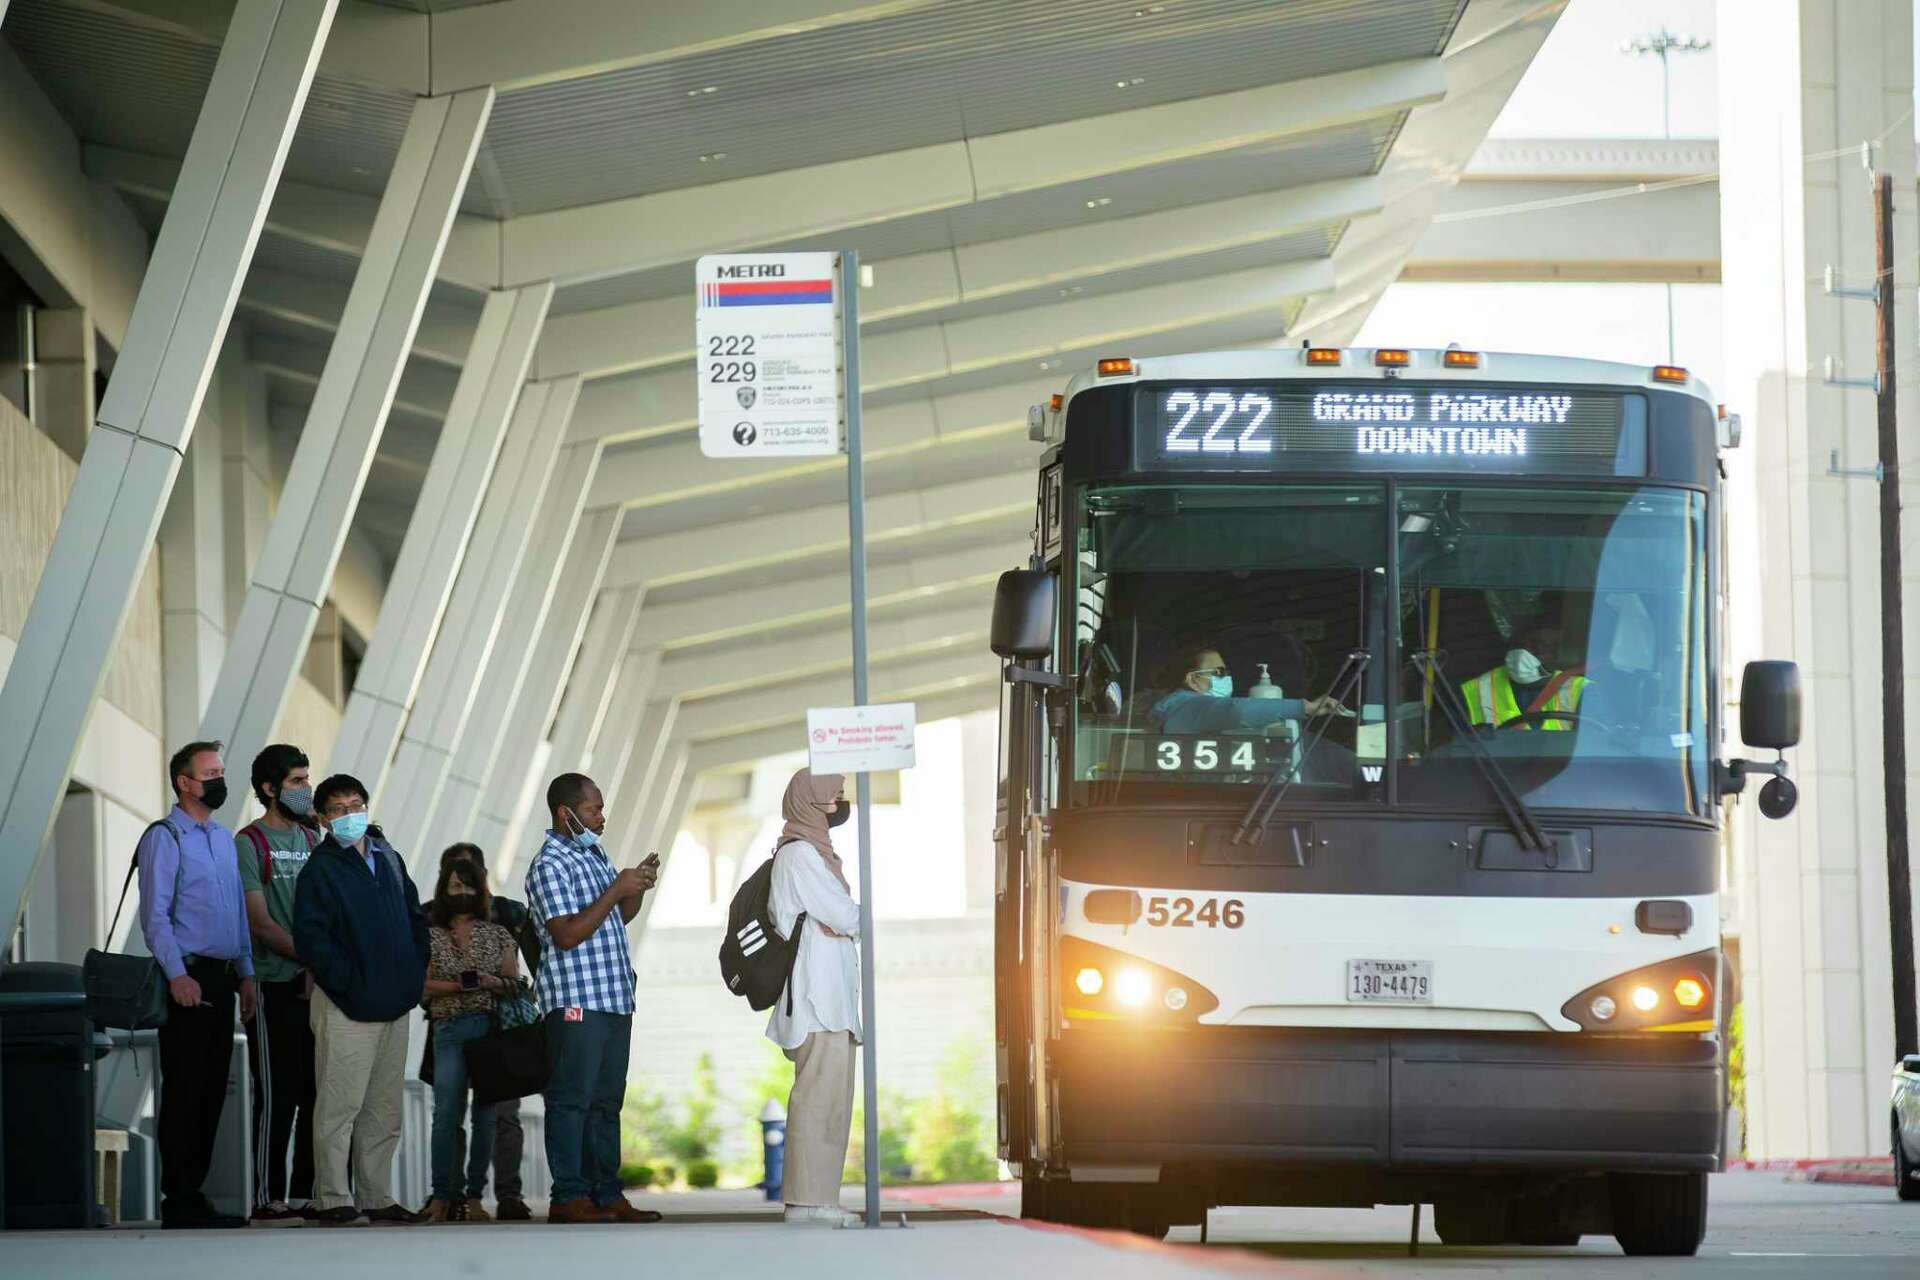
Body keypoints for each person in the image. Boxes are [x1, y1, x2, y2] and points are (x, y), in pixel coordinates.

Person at [291, 774, 430, 1228]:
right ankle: (333, 1197)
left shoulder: (388, 857)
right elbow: (312, 939)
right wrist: (349, 984)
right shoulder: (320, 869)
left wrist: (413, 974)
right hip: (346, 1005)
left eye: (356, 805)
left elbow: (415, 918)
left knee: (383, 1109)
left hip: (394, 1000)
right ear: (322, 819)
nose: (349, 815)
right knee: (339, 1105)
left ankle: (376, 1195)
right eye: (338, 809)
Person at [525, 772, 660, 1225]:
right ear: (565, 813)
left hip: (614, 996)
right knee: (571, 1099)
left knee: (606, 1102)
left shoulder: (595, 854)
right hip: (575, 998)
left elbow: (614, 918)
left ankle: (607, 1193)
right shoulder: (549, 865)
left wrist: (634, 890)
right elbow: (565, 933)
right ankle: (569, 1196)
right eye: (593, 809)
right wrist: (615, 888)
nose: (601, 817)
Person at [139, 740, 256, 1230]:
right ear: (184, 783)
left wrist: (247, 973)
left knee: (212, 1088)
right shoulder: (165, 837)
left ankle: (195, 1194)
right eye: (209, 774)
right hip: (188, 976)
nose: (219, 780)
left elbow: (237, 914)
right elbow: (155, 917)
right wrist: (177, 975)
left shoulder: (223, 839)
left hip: (224, 977)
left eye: (220, 771)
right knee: (185, 1087)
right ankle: (179, 1197)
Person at [764, 769, 862, 1227]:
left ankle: (820, 1198)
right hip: (817, 1002)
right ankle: (807, 1203)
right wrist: (850, 919)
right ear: (809, 801)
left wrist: (843, 921)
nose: (839, 805)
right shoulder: (800, 855)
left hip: (833, 1003)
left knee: (832, 1104)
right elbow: (846, 916)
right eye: (834, 796)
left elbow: (840, 920)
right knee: (817, 1102)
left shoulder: (816, 855)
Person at [431, 842, 541, 1222]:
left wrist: (493, 983)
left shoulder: (504, 922)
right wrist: (456, 987)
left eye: (469, 880)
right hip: (447, 1029)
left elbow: (522, 978)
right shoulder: (429, 927)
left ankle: (494, 1195)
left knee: (494, 1116)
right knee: (448, 1113)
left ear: (482, 880)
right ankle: (446, 1195)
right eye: (454, 881)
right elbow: (419, 983)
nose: (461, 889)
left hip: (493, 1032)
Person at [236, 742, 321, 1227]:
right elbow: (260, 922)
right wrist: (312, 959)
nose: (306, 789)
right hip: (273, 986)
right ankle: (268, 1197)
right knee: (276, 1093)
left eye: (307, 779)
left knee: (315, 1092)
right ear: (270, 788)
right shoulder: (248, 843)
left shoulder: (313, 840)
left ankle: (306, 1194)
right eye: (296, 781)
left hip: (315, 987)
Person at [1149, 646, 1347, 733]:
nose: (1226, 677)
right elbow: (1237, 710)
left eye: (1227, 672)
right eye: (1219, 672)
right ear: (1193, 679)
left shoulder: (1183, 708)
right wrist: (1306, 707)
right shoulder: (1183, 705)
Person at [1459, 621, 1588, 732]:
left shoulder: (1582, 691)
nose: (1523, 653)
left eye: (1538, 647)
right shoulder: (1476, 689)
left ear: (1559, 655)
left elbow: (1592, 744)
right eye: (1520, 644)